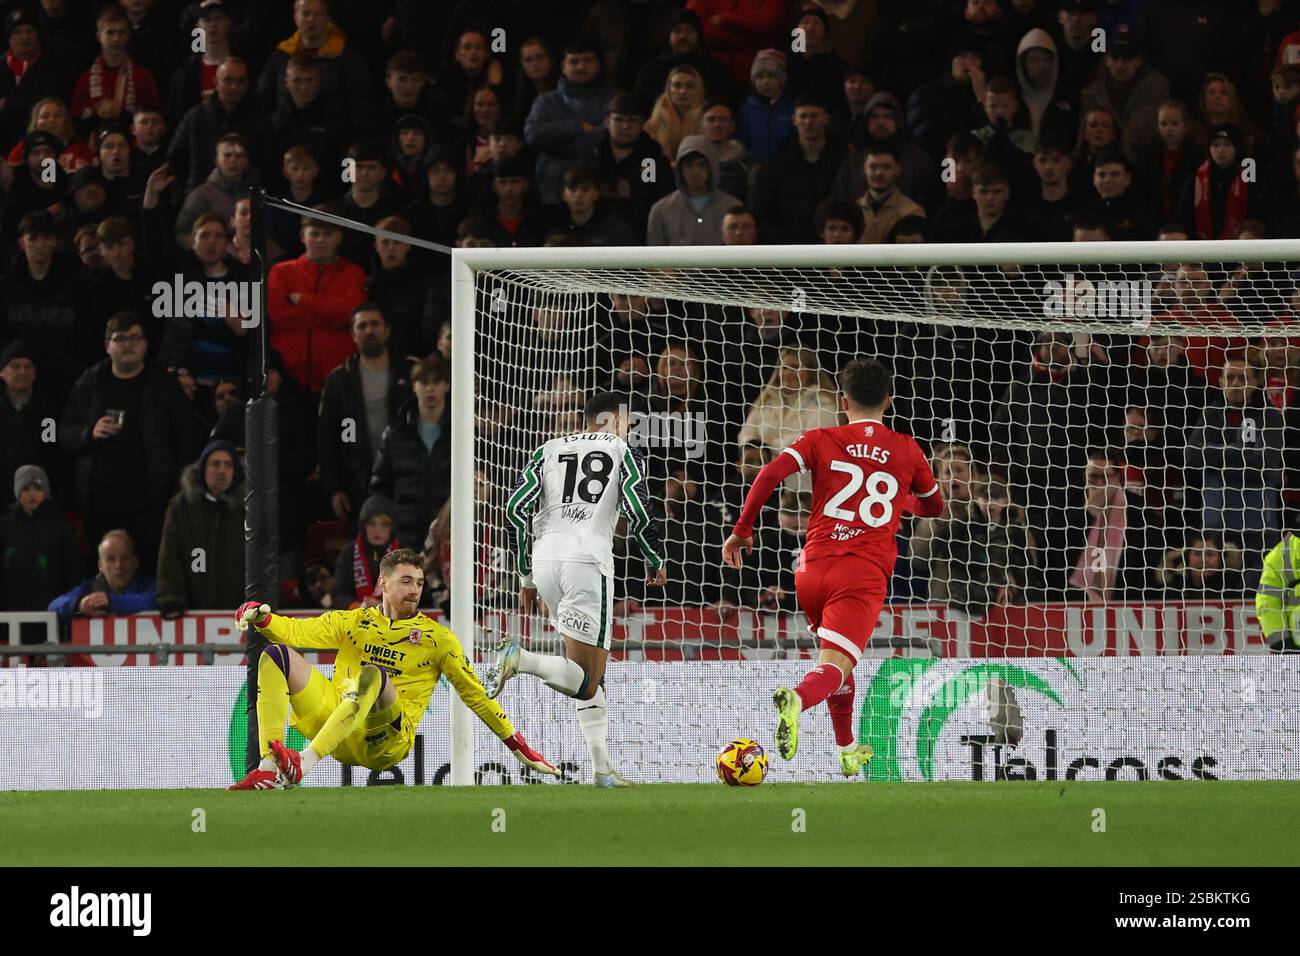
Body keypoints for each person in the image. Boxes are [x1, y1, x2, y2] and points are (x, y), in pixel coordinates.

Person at [722, 358, 943, 775]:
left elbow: (768, 475)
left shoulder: (820, 437)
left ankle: (847, 749)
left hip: (810, 568)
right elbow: (935, 505)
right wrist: (902, 498)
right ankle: (798, 699)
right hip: (860, 572)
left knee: (837, 660)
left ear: (843, 402)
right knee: (835, 665)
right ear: (889, 402)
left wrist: (742, 530)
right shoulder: (907, 448)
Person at [229, 548, 558, 789]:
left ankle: (304, 762)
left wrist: (519, 746)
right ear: (383, 584)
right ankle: (269, 769)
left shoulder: (437, 639)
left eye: (419, 582)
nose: (416, 590)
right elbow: (296, 632)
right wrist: (262, 616)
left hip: (386, 740)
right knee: (274, 655)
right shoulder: (356, 621)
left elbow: (476, 695)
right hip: (337, 725)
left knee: (374, 675)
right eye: (406, 581)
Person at [487, 391, 667, 787]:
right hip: (588, 561)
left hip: (545, 560)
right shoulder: (622, 451)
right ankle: (522, 660)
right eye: (629, 422)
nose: (630, 430)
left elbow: (516, 509)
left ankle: (602, 770)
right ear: (615, 420)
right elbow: (639, 508)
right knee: (586, 679)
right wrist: (655, 557)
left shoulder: (548, 449)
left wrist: (525, 575)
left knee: (586, 674)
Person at [155, 440, 245, 619]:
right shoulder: (181, 507)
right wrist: (170, 598)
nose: (221, 470)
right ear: (203, 468)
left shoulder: (248, 507)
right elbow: (170, 556)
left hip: (241, 612)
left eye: (228, 465)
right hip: (191, 613)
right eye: (215, 464)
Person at [0, 464, 80, 623]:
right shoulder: (4, 526)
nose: (32, 494)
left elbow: (73, 569)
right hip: (11, 610)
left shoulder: (60, 526)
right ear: (17, 493)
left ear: (46, 492)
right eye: (25, 489)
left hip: (50, 609)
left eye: (37, 487)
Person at [48, 529, 157, 625]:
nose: (118, 565)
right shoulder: (89, 588)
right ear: (100, 565)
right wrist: (79, 605)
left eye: (125, 558)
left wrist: (111, 602)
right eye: (110, 559)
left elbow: (157, 601)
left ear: (135, 563)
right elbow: (53, 607)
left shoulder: (150, 586)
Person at [330, 495, 401, 610]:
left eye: (385, 524)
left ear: (392, 528)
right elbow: (338, 593)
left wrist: (384, 606)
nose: (378, 529)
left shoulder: (403, 555)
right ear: (363, 526)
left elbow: (414, 593)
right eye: (372, 523)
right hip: (355, 620)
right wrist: (356, 607)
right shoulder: (349, 552)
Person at [1255, 533, 1300, 651]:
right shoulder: (1282, 553)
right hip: (1295, 648)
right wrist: (1281, 643)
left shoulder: (1281, 551)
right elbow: (1267, 601)